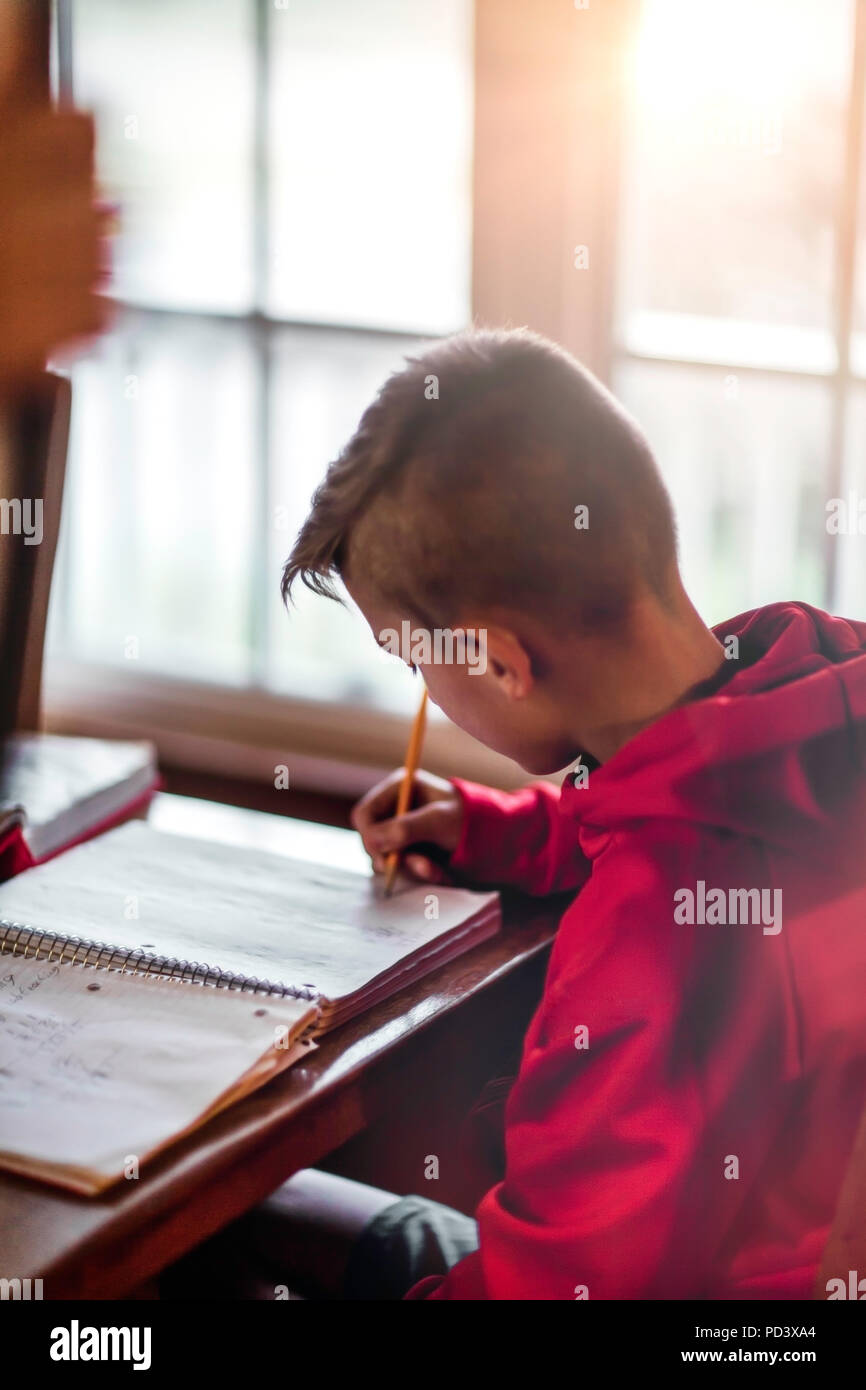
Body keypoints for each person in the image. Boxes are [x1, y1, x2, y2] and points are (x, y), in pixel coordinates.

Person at [177, 328, 866, 1300]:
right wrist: (493, 830)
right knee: (279, 1218)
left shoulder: (652, 942)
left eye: (413, 662)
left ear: (501, 663)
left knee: (216, 1243)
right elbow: (688, 807)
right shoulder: (807, 681)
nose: (424, 689)